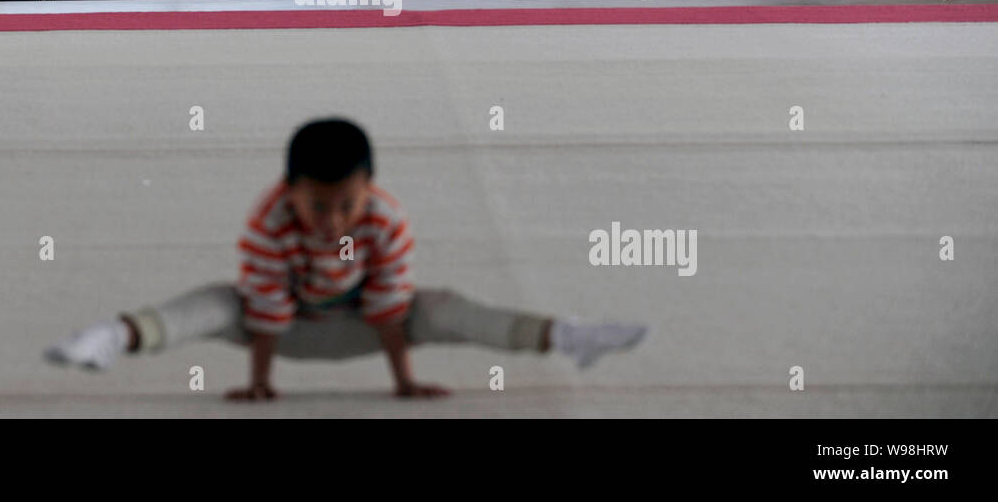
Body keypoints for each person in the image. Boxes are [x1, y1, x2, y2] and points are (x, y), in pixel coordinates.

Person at [46, 118, 647, 400]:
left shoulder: (386, 218)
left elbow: (390, 305)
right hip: (279, 332)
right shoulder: (270, 219)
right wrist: (260, 385)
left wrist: (404, 383)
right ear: (290, 191)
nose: (333, 221)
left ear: (369, 189)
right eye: (317, 205)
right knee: (214, 302)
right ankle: (111, 337)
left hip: (366, 325)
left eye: (347, 205)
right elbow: (263, 302)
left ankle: (569, 338)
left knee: (444, 308)